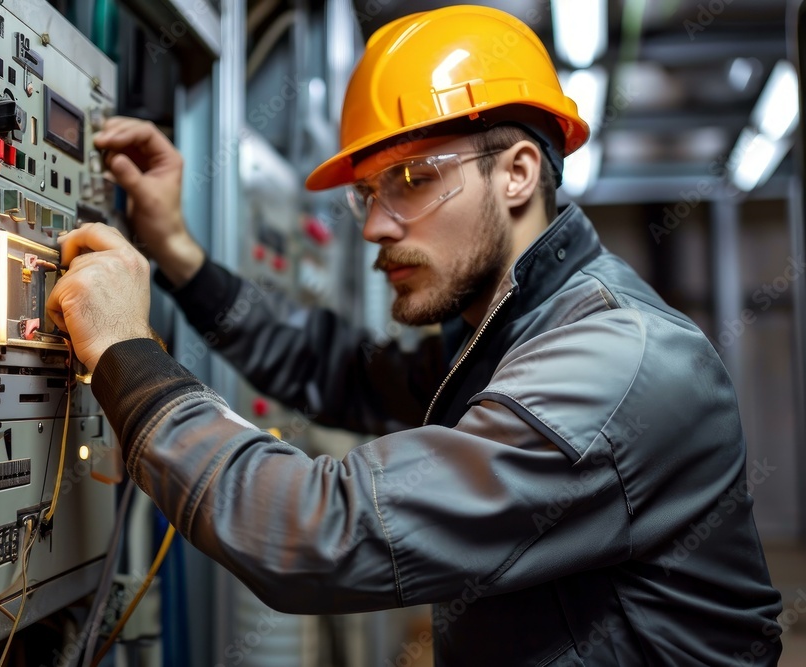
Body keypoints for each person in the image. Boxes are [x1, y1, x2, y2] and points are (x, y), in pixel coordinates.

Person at [47, 5, 783, 665]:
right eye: (368, 191)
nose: (373, 224)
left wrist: (122, 350)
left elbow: (322, 533)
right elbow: (337, 370)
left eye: (414, 179)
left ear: (518, 172)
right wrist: (177, 250)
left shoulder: (614, 362)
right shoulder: (511, 332)